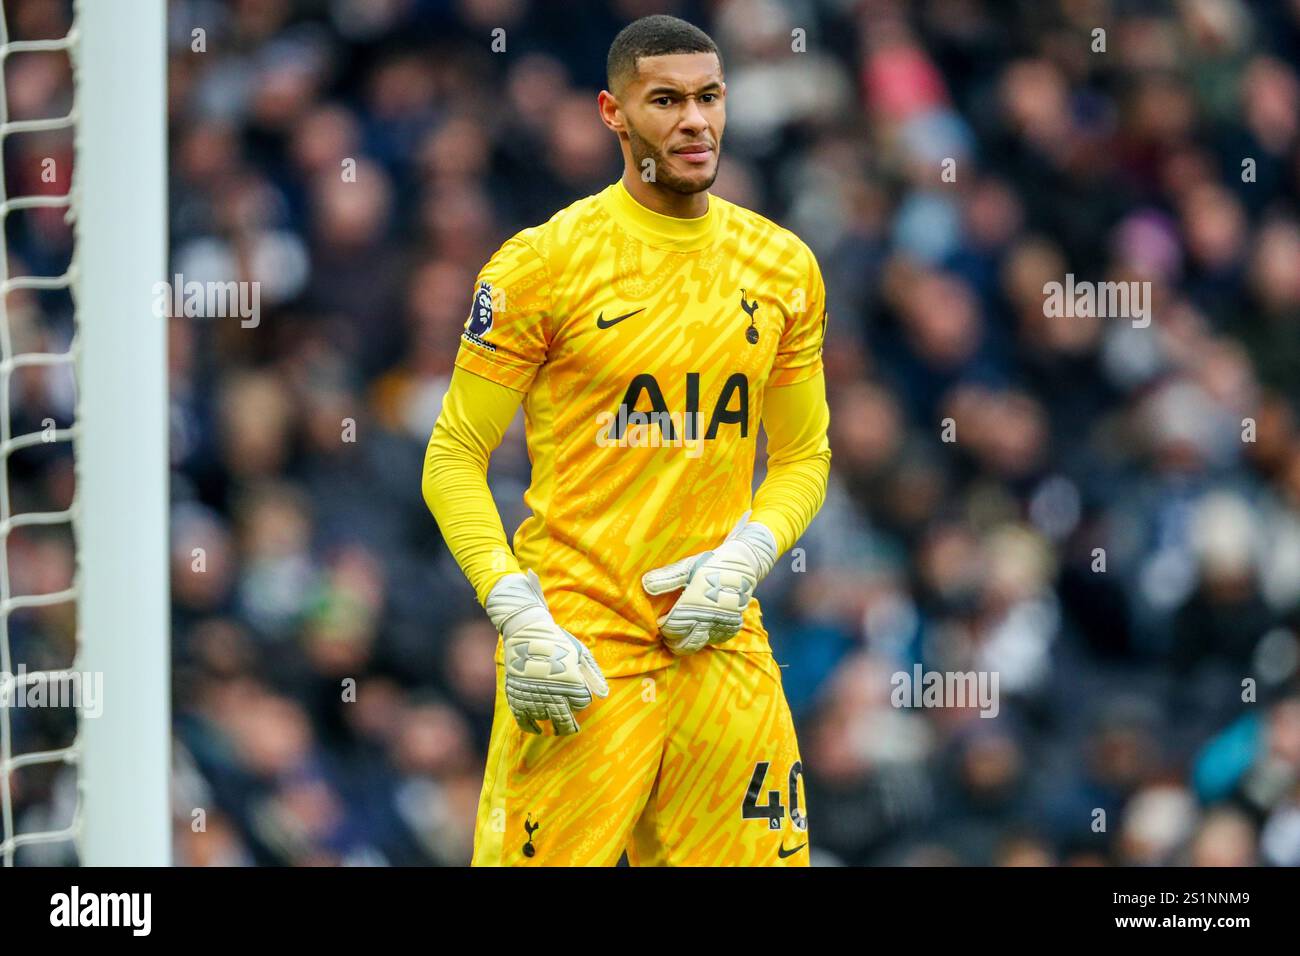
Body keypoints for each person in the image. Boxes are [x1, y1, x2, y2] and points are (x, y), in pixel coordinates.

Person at [422, 13, 831, 866]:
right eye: (667, 100)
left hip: (718, 639)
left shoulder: (783, 266)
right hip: (576, 655)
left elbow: (802, 457)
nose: (696, 121)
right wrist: (512, 609)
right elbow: (454, 455)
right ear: (613, 112)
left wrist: (748, 555)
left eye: (711, 97)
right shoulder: (543, 265)